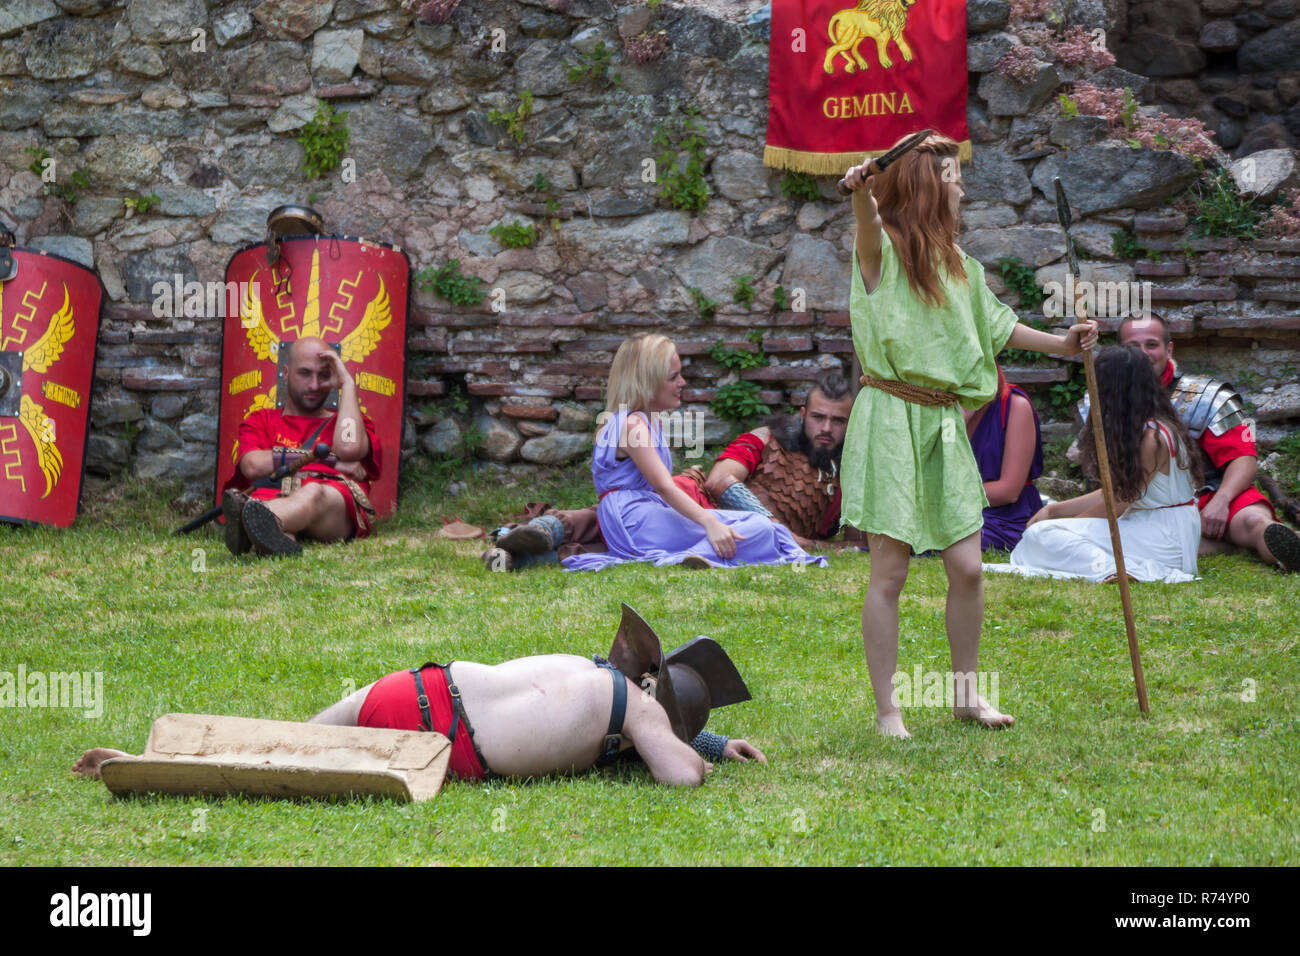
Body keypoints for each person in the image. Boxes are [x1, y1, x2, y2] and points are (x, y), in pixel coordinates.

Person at [840, 131, 1097, 737]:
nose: (962, 186)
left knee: (968, 568)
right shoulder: (881, 254)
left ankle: (965, 696)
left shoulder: (962, 268)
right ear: (928, 185)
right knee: (890, 573)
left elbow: (999, 328)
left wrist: (1063, 345)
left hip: (943, 424)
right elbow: (867, 221)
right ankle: (888, 711)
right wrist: (859, 192)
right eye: (953, 177)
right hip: (890, 418)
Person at [72, 607, 767, 789]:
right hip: (443, 744)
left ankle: (147, 752)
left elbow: (635, 730)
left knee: (283, 739)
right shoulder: (643, 714)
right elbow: (676, 775)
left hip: (420, 686)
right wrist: (696, 757)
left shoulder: (591, 671)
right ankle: (150, 765)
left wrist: (712, 742)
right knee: (290, 774)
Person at [484, 370, 854, 569]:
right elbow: (721, 481)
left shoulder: (848, 477)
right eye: (818, 417)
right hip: (700, 501)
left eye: (837, 421)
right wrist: (778, 529)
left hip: (730, 535)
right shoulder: (768, 437)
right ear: (802, 415)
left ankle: (521, 554)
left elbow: (850, 535)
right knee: (609, 519)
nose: (825, 428)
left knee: (619, 550)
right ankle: (545, 528)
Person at [561, 333, 826, 571]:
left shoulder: (650, 421)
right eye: (673, 377)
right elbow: (664, 487)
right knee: (757, 530)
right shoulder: (632, 426)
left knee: (760, 524)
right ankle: (691, 557)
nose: (682, 383)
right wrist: (709, 523)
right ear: (648, 383)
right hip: (633, 520)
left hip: (644, 511)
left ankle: (697, 555)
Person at [989, 346, 1203, 583]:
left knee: (1044, 535)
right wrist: (1054, 510)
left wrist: (1068, 526)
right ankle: (1114, 567)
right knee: (1039, 533)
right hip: (1157, 528)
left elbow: (1118, 504)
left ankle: (1114, 570)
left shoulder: (1153, 438)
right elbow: (1116, 493)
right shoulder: (1152, 427)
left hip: (1163, 537)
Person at [1115, 312, 1299, 572]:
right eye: (1132, 347)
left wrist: (1221, 500)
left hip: (1215, 495)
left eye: (1152, 345)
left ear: (1169, 349)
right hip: (1151, 504)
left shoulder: (1205, 398)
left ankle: (1289, 549)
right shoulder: (1105, 400)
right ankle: (1212, 544)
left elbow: (1243, 458)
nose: (1143, 353)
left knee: (1254, 523)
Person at [221, 336, 380, 557]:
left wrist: (347, 384)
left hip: (330, 507)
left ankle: (248, 519)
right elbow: (252, 466)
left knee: (313, 492)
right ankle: (273, 534)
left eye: (323, 376)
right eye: (305, 374)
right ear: (285, 374)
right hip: (276, 498)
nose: (314, 385)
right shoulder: (261, 420)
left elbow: (349, 448)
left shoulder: (349, 421)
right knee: (279, 533)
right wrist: (329, 461)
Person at [965, 365, 1044, 551]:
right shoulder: (946, 407)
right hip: (953, 509)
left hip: (1005, 516)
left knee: (954, 541)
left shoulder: (1015, 405)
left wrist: (942, 497)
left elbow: (1008, 491)